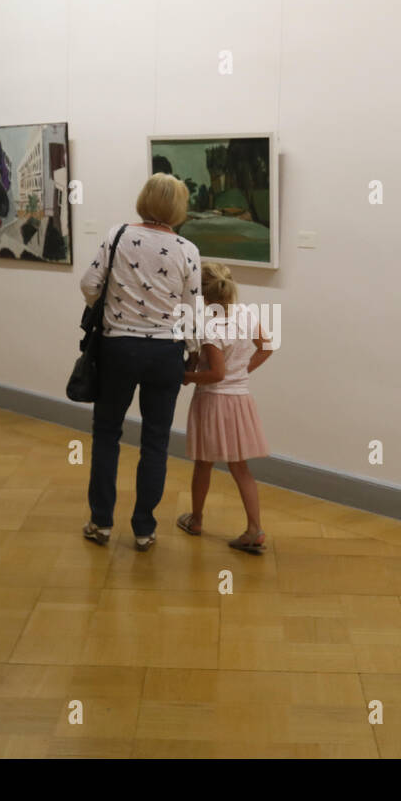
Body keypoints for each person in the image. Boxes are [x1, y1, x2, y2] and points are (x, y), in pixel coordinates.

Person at [80, 173, 200, 551]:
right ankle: (144, 528)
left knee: (107, 434)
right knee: (155, 441)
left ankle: (101, 522)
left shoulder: (117, 235)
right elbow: (192, 311)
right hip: (165, 354)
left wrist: (110, 306)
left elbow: (89, 284)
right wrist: (192, 352)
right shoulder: (187, 249)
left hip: (119, 349)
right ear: (178, 208)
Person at [176, 263, 274, 553]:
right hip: (240, 399)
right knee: (240, 467)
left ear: (201, 293)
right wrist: (243, 371)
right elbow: (266, 346)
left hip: (215, 401)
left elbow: (216, 374)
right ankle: (254, 529)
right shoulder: (246, 314)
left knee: (204, 463)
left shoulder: (210, 326)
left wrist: (185, 376)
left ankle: (196, 519)